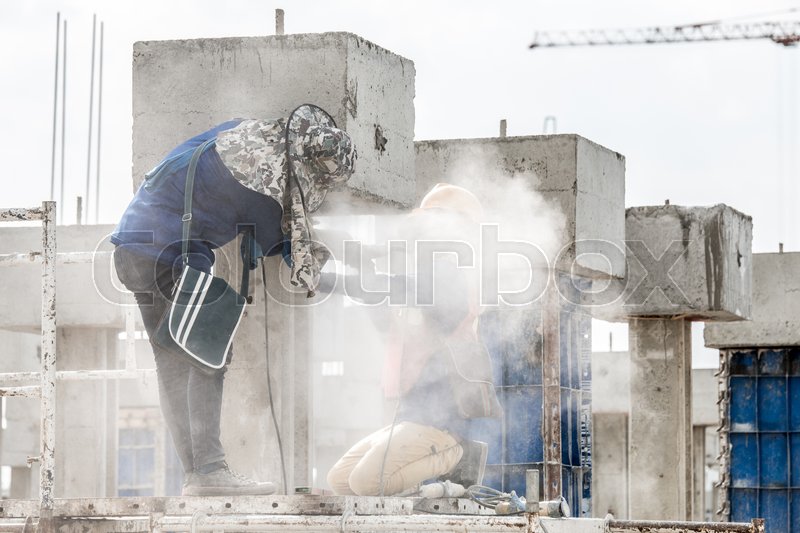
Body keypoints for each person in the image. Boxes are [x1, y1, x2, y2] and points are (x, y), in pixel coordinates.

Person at [112, 104, 356, 496]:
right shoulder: (265, 190)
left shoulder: (245, 134)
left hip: (130, 248)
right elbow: (283, 245)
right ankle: (209, 471)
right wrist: (329, 274)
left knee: (174, 363)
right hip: (168, 255)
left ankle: (197, 476)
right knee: (208, 350)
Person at [326, 184, 502, 497]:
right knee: (340, 480)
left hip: (441, 426)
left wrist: (330, 278)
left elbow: (397, 288)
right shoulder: (425, 273)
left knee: (366, 482)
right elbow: (383, 306)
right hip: (410, 417)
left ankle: (446, 482)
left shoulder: (453, 274)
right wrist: (360, 264)